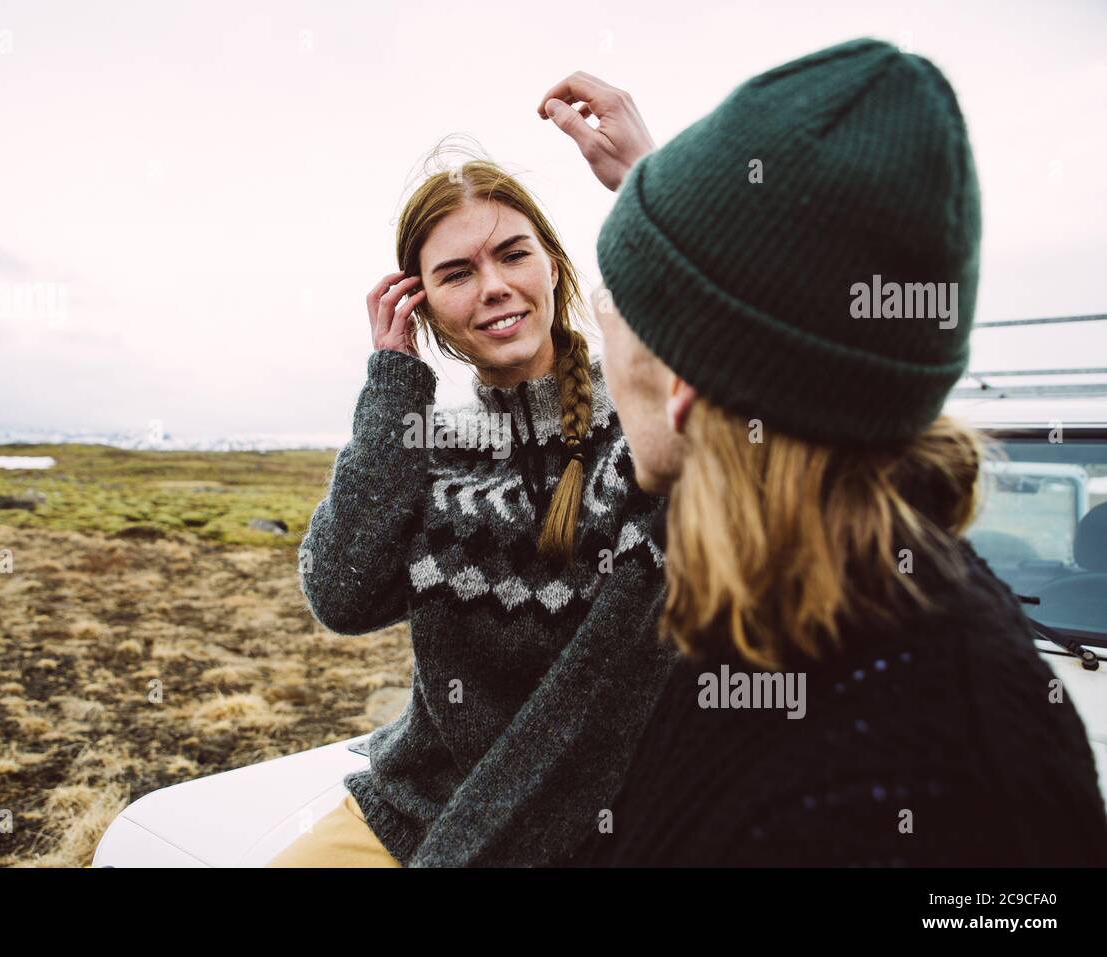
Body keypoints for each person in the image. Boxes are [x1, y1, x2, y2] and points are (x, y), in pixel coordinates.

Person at [543, 37, 1107, 867]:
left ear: (687, 387)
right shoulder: (815, 572)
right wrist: (670, 202)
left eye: (613, 296)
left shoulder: (905, 790)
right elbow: (769, 323)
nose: (603, 332)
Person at [269, 153, 674, 867]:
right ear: (419, 302)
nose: (494, 288)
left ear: (552, 265)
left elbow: (762, 382)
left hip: (611, 822)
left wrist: (647, 178)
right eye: (456, 273)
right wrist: (394, 382)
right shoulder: (431, 446)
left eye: (513, 255)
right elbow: (341, 593)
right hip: (426, 807)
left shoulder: (643, 422)